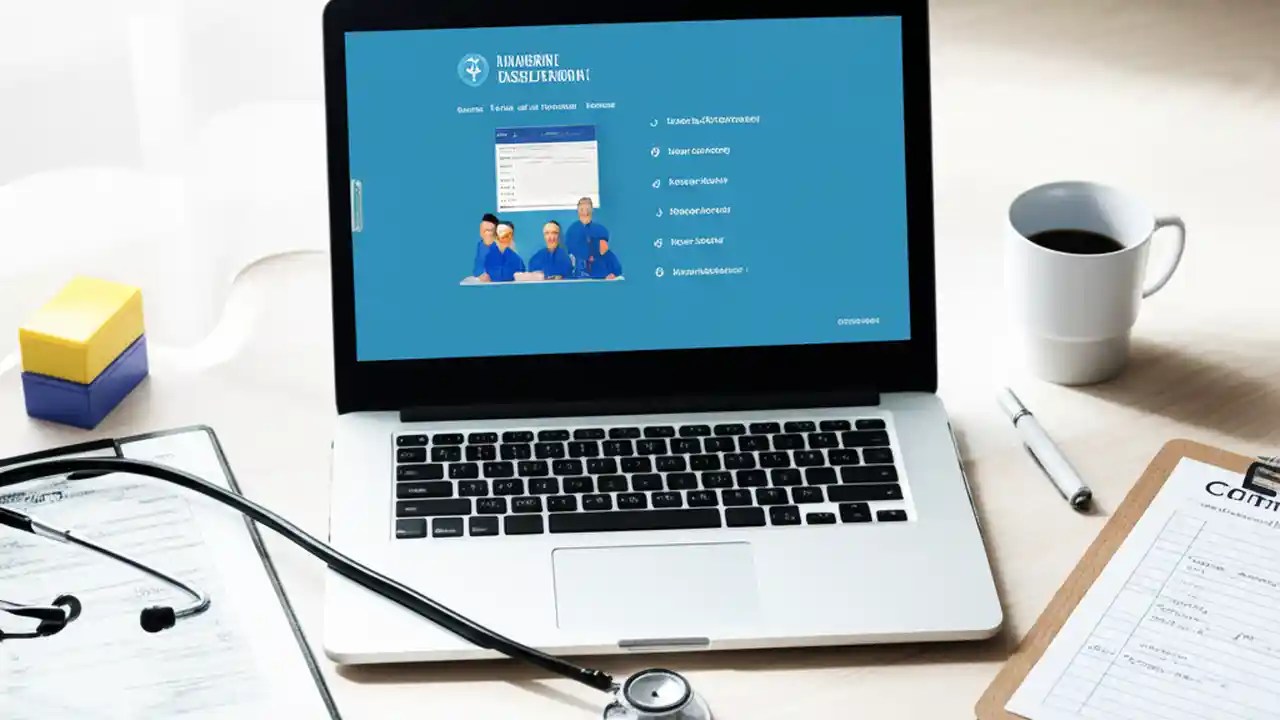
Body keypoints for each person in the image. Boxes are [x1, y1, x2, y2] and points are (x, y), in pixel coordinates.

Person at [563, 197, 608, 278]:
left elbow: (604, 253)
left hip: (598, 273)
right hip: (577, 273)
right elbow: (569, 253)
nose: (585, 213)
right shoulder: (572, 230)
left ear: (592, 210)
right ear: (577, 211)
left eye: (588, 209)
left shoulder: (601, 230)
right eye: (582, 209)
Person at [472, 213, 499, 280]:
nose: (486, 233)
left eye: (488, 230)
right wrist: (480, 274)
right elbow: (477, 268)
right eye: (483, 230)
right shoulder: (480, 246)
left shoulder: (500, 246)